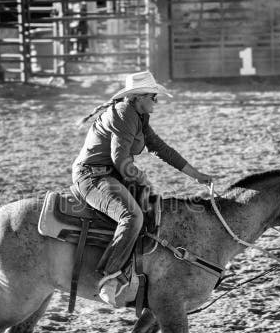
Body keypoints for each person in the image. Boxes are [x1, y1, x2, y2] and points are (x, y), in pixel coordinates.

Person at [72, 71, 218, 306]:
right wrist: (141, 178)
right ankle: (109, 277)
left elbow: (161, 148)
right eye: (154, 97)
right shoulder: (123, 114)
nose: (156, 102)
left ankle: (138, 272)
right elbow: (120, 159)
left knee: (153, 210)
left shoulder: (139, 116)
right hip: (93, 176)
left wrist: (196, 175)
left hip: (112, 174)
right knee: (131, 216)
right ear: (139, 97)